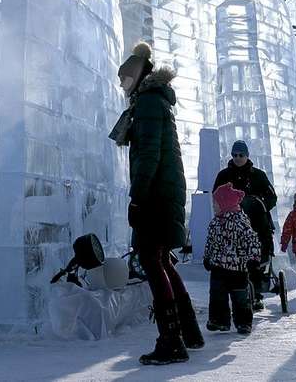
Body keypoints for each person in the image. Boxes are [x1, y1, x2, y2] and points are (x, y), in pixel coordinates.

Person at [116, 41, 203, 366]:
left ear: (137, 76)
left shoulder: (149, 104)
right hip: (164, 194)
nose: (122, 86)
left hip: (155, 196)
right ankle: (189, 332)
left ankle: (172, 341)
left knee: (153, 262)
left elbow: (148, 156)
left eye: (124, 79)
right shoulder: (154, 102)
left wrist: (137, 199)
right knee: (162, 261)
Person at [214, 140, 277, 310]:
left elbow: (272, 197)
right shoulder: (224, 176)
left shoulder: (258, 175)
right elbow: (217, 196)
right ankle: (238, 295)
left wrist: (260, 204)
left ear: (247, 155)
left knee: (255, 256)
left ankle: (256, 294)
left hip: (257, 222)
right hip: (231, 224)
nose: (237, 158)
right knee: (236, 258)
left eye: (241, 155)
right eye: (234, 155)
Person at [203, 183, 261, 335]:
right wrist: (207, 257)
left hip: (238, 267)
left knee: (240, 296)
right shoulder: (215, 222)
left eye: (216, 203)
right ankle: (219, 321)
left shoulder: (240, 222)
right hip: (218, 267)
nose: (214, 206)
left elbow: (252, 240)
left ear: (225, 204)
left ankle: (243, 322)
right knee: (217, 295)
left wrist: (253, 258)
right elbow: (210, 242)